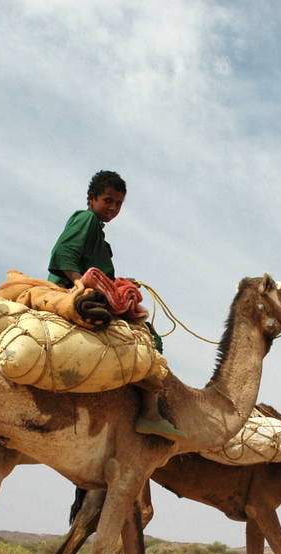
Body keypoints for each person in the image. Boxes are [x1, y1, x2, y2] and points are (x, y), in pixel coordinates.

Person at [47, 170, 184, 440]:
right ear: (91, 199)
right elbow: (64, 253)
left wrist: (117, 283)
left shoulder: (97, 232)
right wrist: (81, 286)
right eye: (107, 201)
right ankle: (149, 413)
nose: (112, 208)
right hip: (72, 293)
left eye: (118, 204)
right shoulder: (85, 218)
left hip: (85, 291)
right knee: (149, 339)